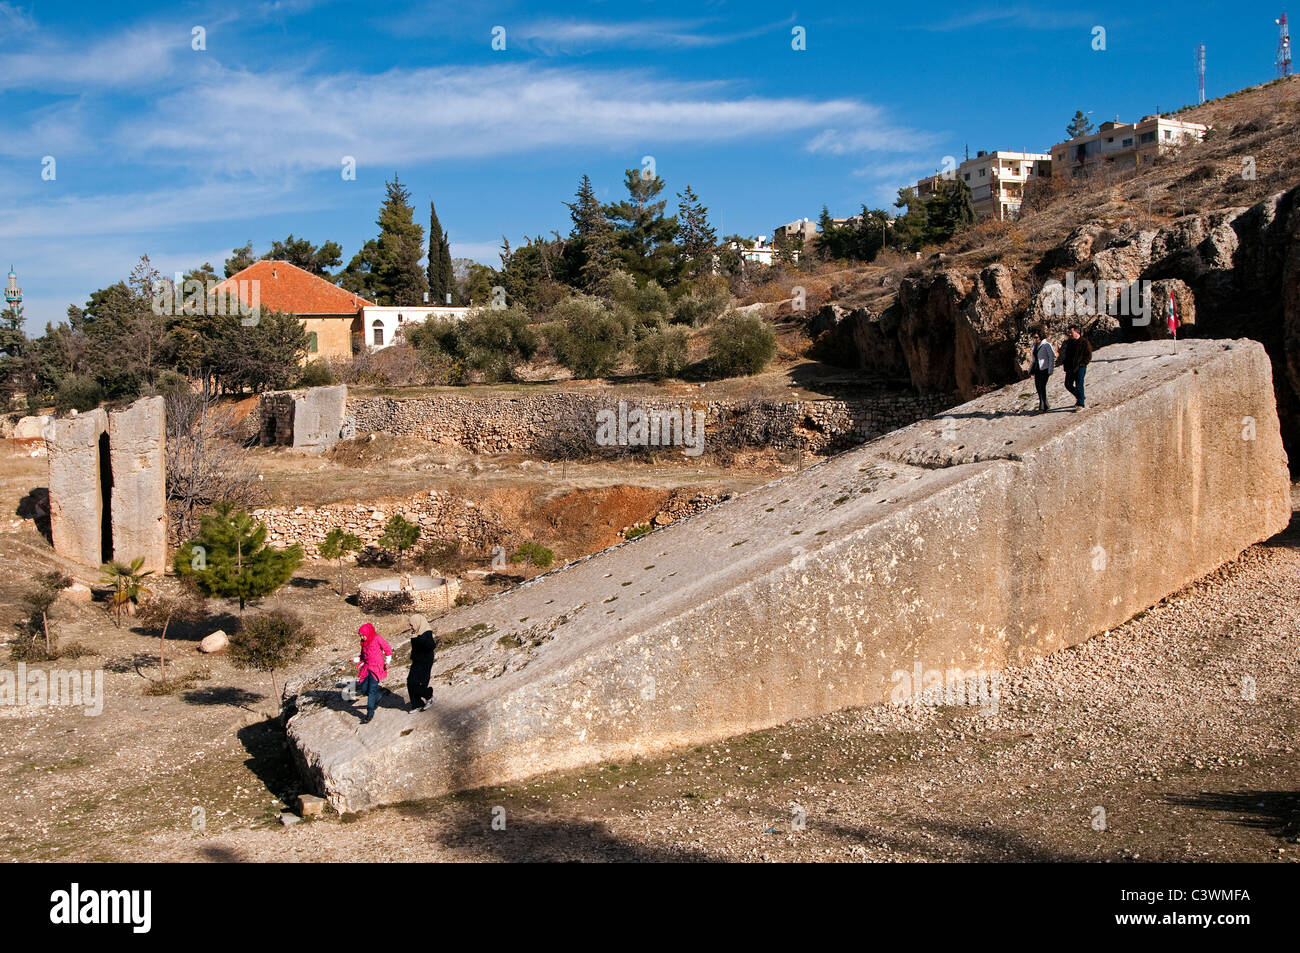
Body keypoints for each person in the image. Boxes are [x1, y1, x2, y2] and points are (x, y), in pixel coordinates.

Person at [352, 622, 392, 725]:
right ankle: (380, 693)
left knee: (371, 692)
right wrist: (355, 659)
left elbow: (387, 649)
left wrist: (387, 662)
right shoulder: (364, 643)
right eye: (360, 635)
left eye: (363, 635)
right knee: (365, 689)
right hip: (367, 669)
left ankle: (369, 714)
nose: (362, 637)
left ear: (368, 633)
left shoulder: (377, 638)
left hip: (376, 669)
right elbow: (362, 656)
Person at [406, 614, 436, 712]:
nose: (411, 627)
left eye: (411, 625)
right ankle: (416, 704)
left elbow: (431, 645)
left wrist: (419, 640)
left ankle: (429, 695)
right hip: (417, 660)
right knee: (410, 681)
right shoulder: (416, 633)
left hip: (425, 660)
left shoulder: (426, 632)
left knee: (419, 683)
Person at [1060, 323, 1092, 409]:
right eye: (1069, 333)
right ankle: (1080, 396)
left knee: (1079, 384)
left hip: (1080, 367)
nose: (1070, 334)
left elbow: (1088, 355)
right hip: (1070, 367)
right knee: (1068, 384)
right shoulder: (1069, 342)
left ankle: (1080, 404)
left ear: (1077, 332)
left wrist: (1082, 364)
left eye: (1071, 332)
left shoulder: (1084, 342)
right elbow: (1066, 355)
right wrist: (1065, 364)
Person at [1030, 327, 1055, 413]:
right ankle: (1046, 404)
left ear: (1040, 336)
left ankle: (1042, 406)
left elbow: (1051, 356)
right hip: (1037, 369)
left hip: (1045, 368)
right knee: (1038, 387)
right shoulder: (1034, 345)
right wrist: (1031, 368)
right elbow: (1034, 358)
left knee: (1042, 386)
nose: (1035, 339)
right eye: (1034, 337)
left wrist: (1051, 369)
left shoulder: (1046, 345)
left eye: (1036, 337)